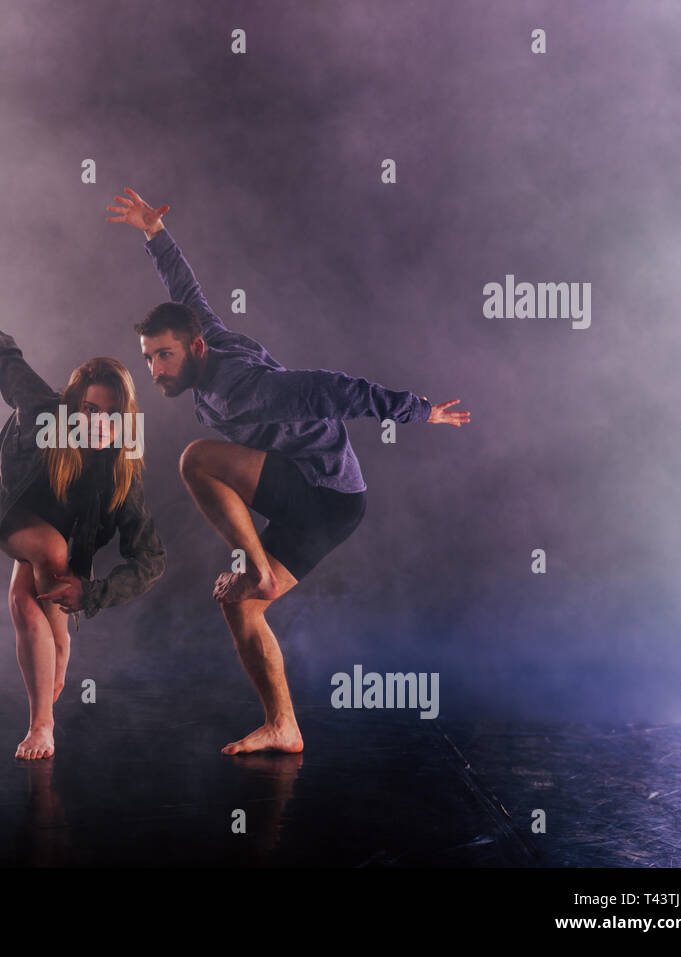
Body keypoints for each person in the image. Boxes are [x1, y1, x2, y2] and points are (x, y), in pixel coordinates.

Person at [106, 187, 470, 755]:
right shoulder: (211, 341)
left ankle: (260, 570)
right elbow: (185, 290)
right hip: (319, 498)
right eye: (149, 357)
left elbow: (336, 389)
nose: (154, 369)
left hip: (323, 492)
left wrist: (420, 411)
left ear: (195, 348)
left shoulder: (249, 390)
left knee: (196, 460)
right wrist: (154, 234)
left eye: (163, 356)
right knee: (241, 606)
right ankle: (284, 726)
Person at [0, 277, 166, 759]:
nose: (96, 423)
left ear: (125, 419)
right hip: (8, 503)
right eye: (87, 409)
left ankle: (42, 723)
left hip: (58, 534)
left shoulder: (123, 469)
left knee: (25, 604)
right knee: (51, 550)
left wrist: (93, 593)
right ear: (70, 405)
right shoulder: (45, 411)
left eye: (110, 415)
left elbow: (151, 559)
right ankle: (58, 657)